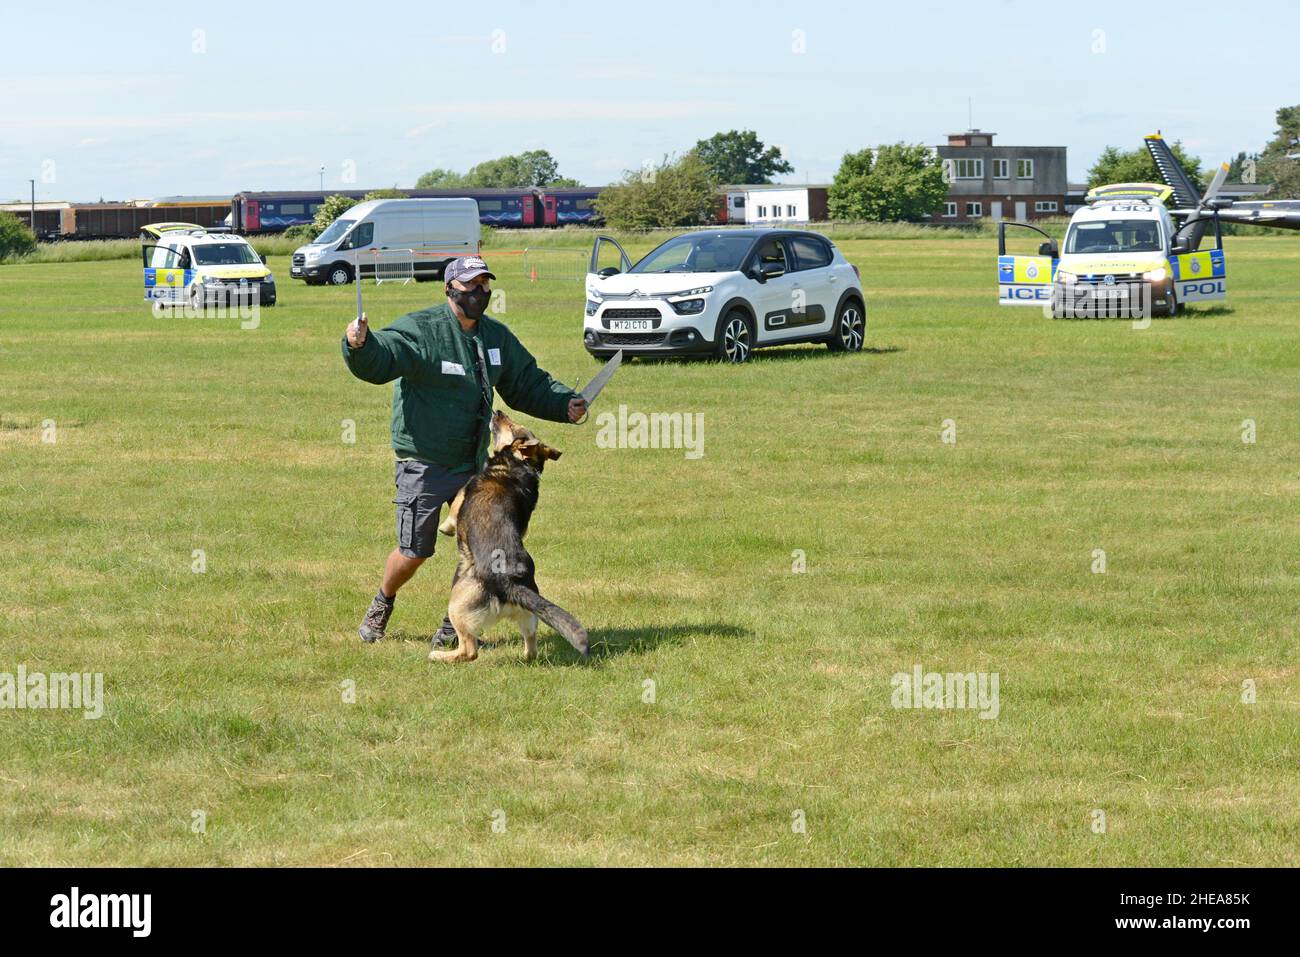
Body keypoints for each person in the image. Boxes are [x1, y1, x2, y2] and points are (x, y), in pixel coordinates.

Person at [341, 255, 587, 649]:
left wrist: (564, 404)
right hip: (423, 460)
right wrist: (359, 345)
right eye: (471, 285)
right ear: (450, 288)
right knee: (415, 550)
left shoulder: (496, 337)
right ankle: (382, 603)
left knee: (477, 550)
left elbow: (527, 382)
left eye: (485, 285)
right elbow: (384, 356)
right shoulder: (423, 329)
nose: (480, 293)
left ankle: (451, 626)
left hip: (474, 467)